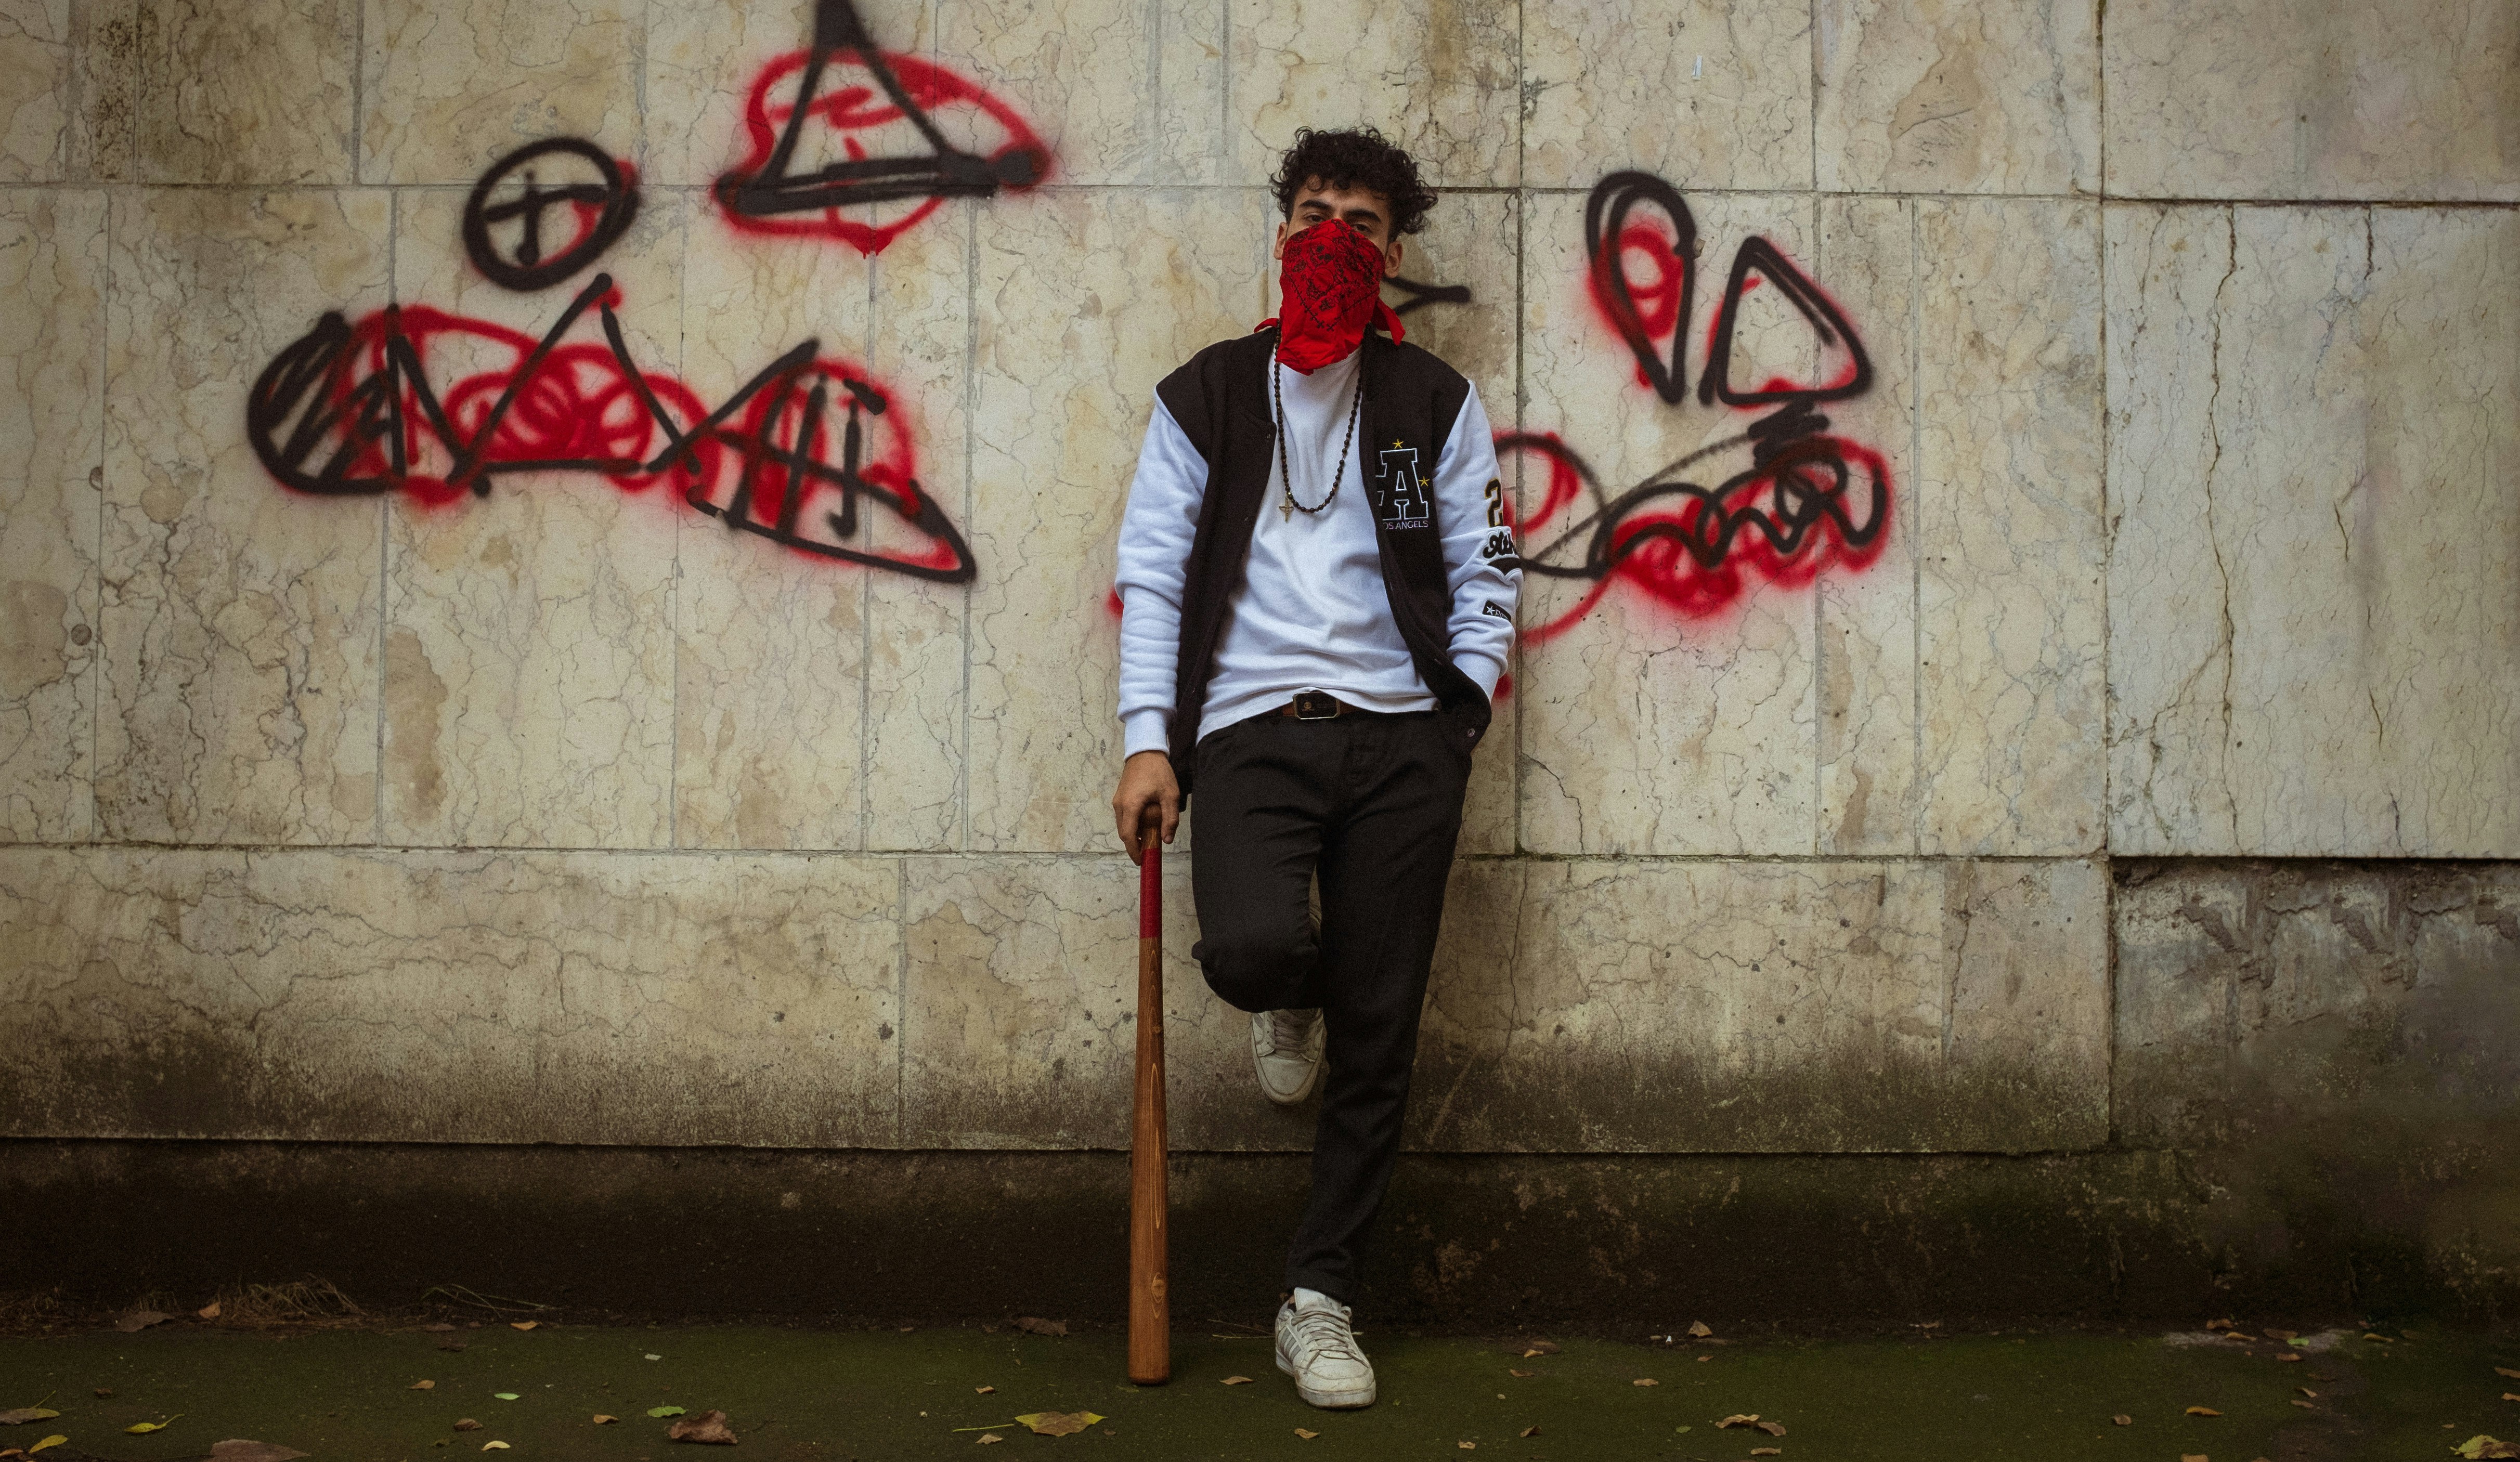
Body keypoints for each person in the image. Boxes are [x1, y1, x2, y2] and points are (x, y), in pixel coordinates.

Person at [1109, 125, 1518, 1409]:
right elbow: (1154, 571)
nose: (1330, 235)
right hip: (1247, 735)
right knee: (1242, 946)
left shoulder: (1434, 404)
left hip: (1404, 740)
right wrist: (1145, 740)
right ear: (1279, 229)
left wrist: (1460, 716)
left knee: (1383, 1032)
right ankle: (1294, 990)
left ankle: (1320, 1297)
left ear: (1393, 254)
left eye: (1357, 221)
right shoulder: (1206, 395)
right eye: (1310, 211)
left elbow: (1488, 568)